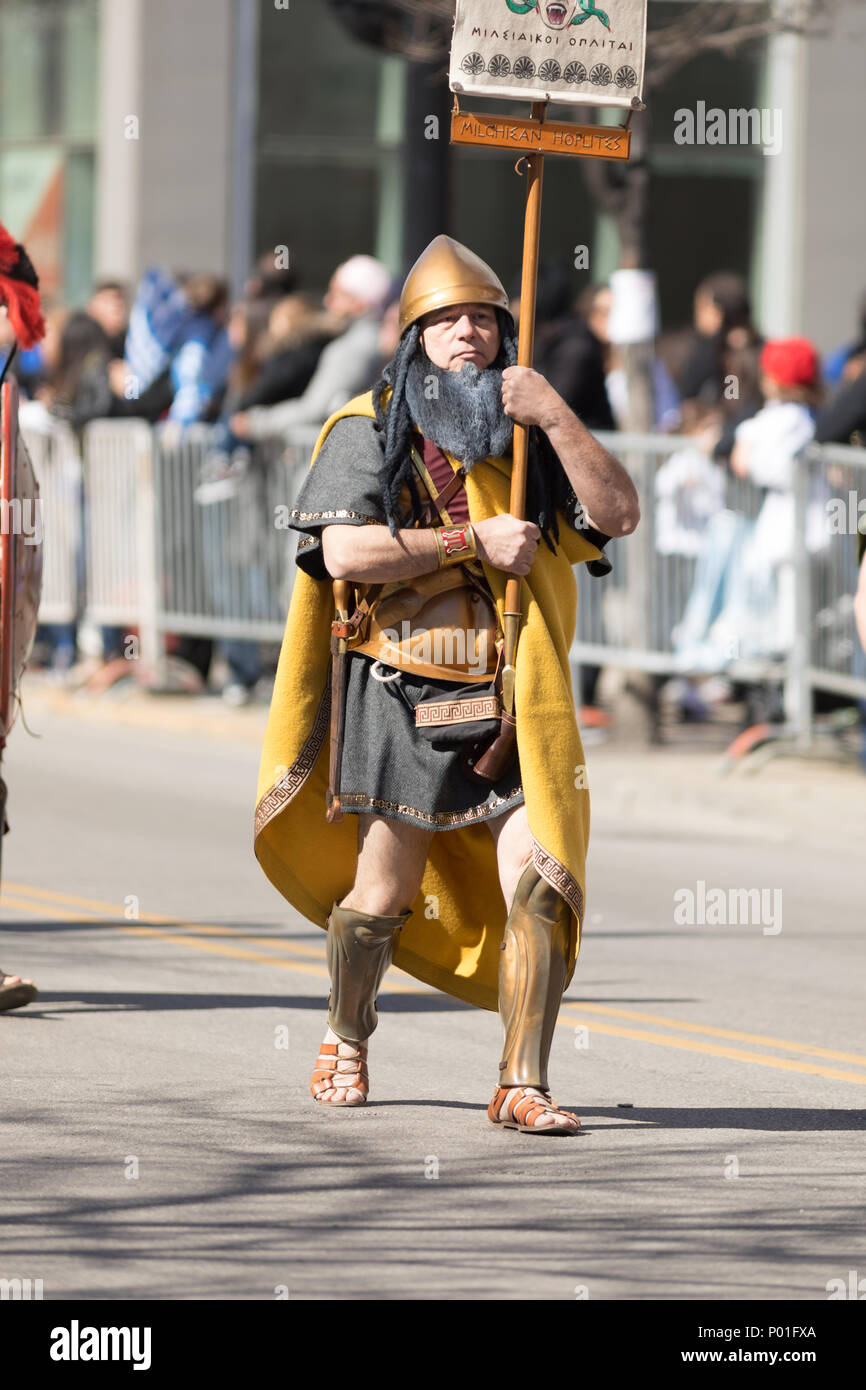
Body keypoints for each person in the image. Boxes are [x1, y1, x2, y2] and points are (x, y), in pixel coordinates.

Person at [254, 235, 639, 1134]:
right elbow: (343, 551)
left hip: (511, 696)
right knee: (383, 892)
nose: (470, 333)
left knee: (538, 886)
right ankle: (347, 1035)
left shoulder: (524, 430)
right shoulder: (366, 423)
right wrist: (474, 541)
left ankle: (522, 1082)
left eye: (486, 321)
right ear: (414, 333)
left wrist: (556, 416)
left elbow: (616, 514)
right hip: (400, 690)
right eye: (449, 319)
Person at [231, 254, 391, 440]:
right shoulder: (362, 341)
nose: (327, 300)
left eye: (337, 293)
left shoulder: (351, 349)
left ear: (359, 302)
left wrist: (255, 422)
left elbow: (314, 410)